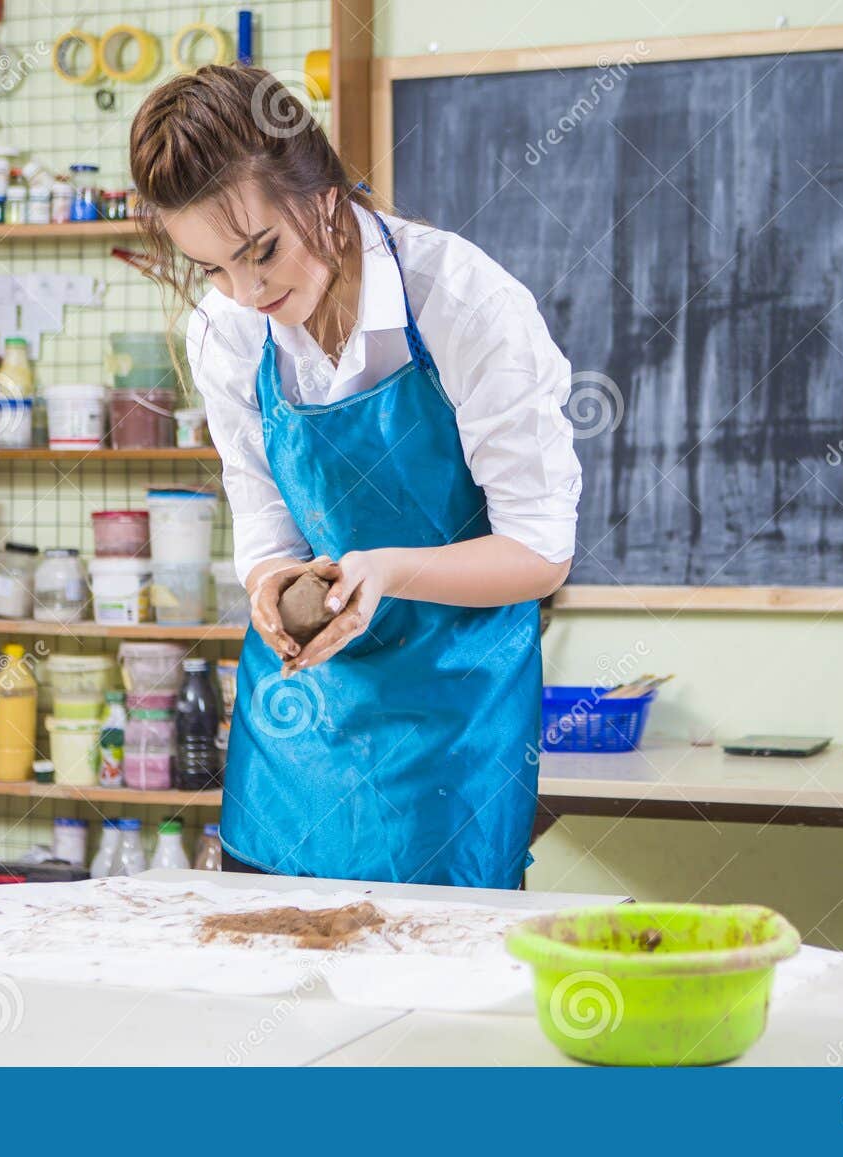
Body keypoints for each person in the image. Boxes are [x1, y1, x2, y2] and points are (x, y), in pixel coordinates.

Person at [128, 66, 580, 888]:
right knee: (260, 972)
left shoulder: (463, 303)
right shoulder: (228, 331)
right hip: (297, 728)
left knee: (430, 995)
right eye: (215, 270)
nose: (248, 291)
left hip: (452, 725)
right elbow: (266, 526)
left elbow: (540, 550)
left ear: (326, 199)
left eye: (261, 252)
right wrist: (271, 583)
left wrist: (390, 568)